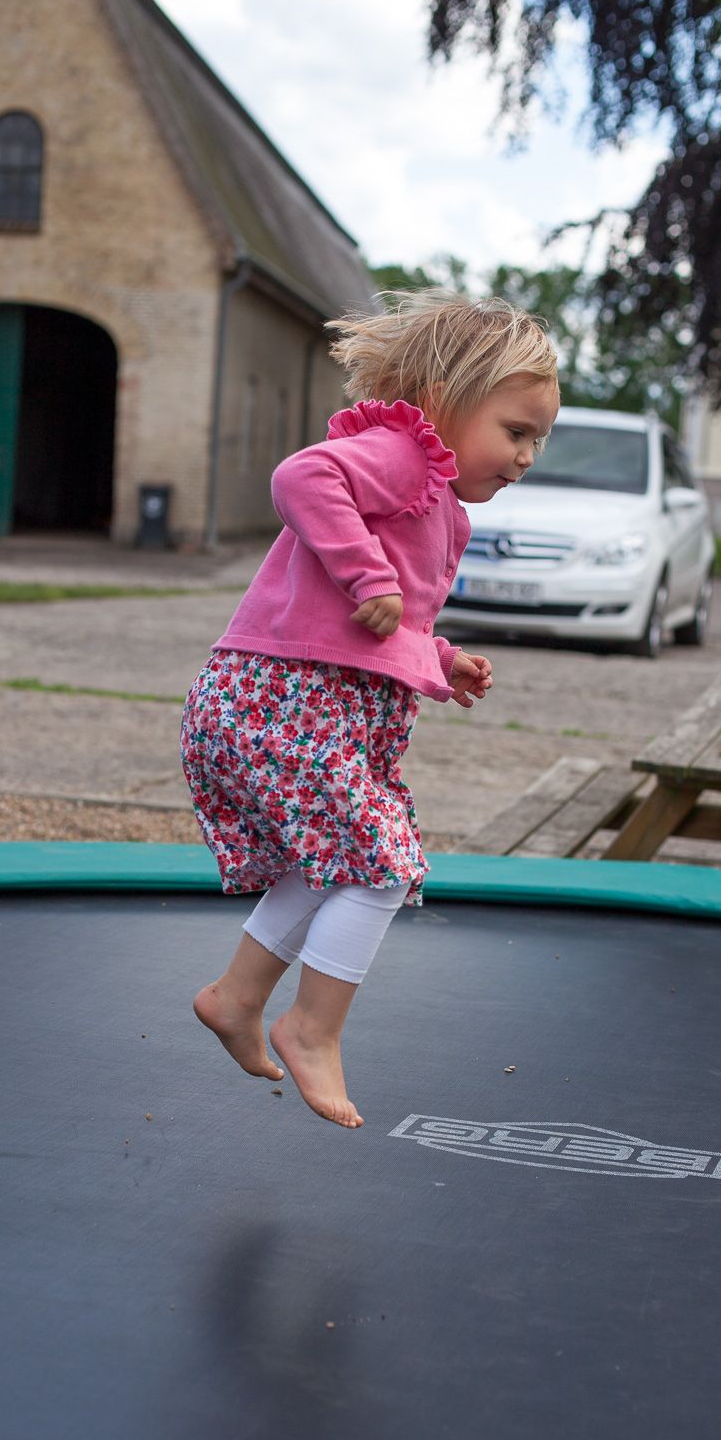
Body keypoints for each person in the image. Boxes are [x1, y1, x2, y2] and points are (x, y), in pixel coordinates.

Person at [181, 291, 560, 1128]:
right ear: (443, 403)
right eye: (516, 431)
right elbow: (302, 477)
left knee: (329, 865)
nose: (527, 455)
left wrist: (441, 658)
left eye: (538, 439)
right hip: (282, 703)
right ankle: (311, 1028)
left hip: (295, 705)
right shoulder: (401, 454)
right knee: (380, 866)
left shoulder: (434, 499)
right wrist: (369, 575)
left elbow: (381, 626)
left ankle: (237, 999)